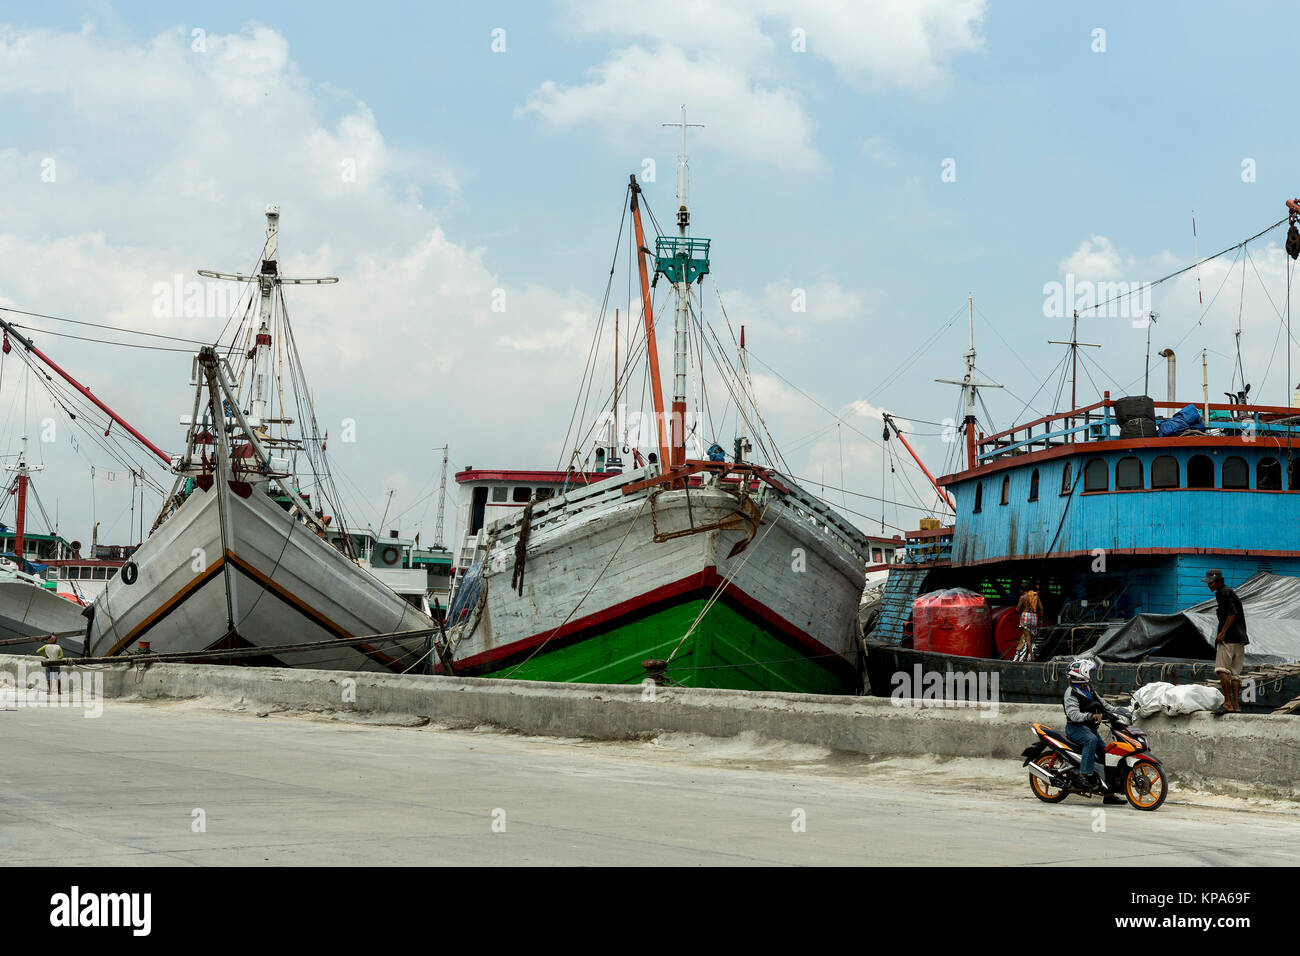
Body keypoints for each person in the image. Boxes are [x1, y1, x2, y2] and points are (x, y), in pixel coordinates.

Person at [1063, 659, 1123, 803]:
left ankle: (1108, 795)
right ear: (1081, 673)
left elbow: (1103, 704)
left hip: (1089, 729)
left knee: (1106, 755)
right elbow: (1073, 715)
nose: (1090, 674)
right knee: (1091, 740)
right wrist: (1091, 716)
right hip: (1075, 728)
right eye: (1088, 671)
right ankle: (1083, 776)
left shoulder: (1088, 688)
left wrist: (1119, 711)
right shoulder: (1070, 693)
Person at [1205, 569, 1248, 714]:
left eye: (1210, 583)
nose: (1209, 586)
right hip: (1240, 638)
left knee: (1221, 670)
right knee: (1235, 674)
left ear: (1218, 582)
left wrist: (1222, 633)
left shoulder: (1224, 593)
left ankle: (1228, 703)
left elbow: (1232, 613)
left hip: (1229, 638)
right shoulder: (1228, 592)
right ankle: (1236, 706)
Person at [1013, 582, 1043, 662]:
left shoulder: (1023, 597)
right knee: (1031, 639)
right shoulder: (1035, 596)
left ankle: (1032, 657)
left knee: (1028, 639)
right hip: (1034, 617)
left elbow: (1018, 609)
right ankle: (1025, 657)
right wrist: (1041, 620)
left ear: (1022, 590)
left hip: (1026, 616)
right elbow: (1041, 608)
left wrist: (1017, 608)